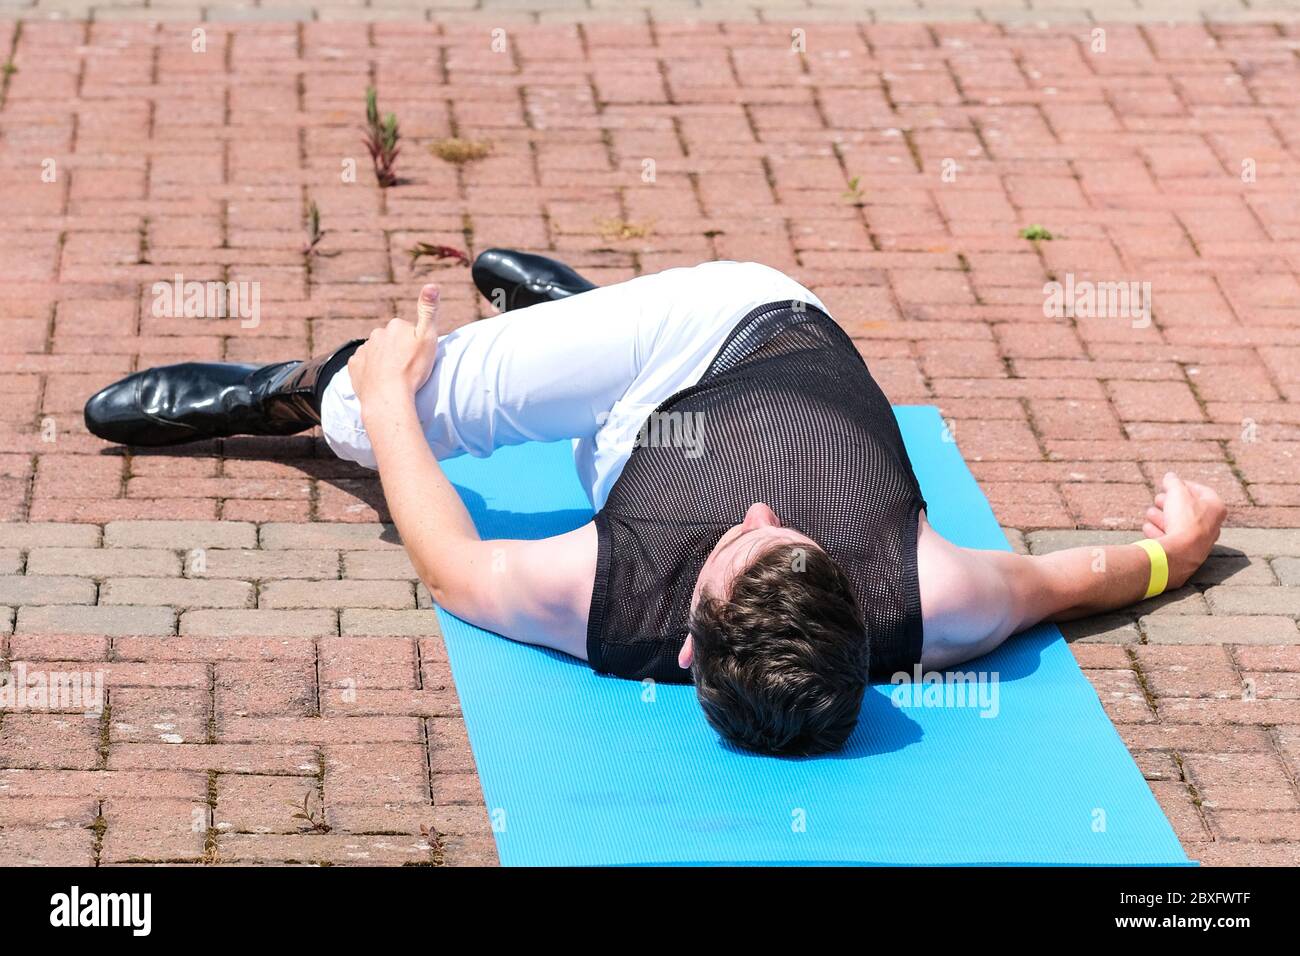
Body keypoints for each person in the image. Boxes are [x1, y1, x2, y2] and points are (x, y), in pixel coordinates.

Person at [84, 251, 1227, 756]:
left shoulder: (608, 601)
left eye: (748, 541)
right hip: (733, 325)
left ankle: (276, 400)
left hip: (630, 458)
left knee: (408, 406)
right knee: (485, 379)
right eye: (792, 537)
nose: (767, 506)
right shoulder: (942, 595)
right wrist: (1176, 549)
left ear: (685, 643)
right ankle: (585, 318)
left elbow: (450, 558)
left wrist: (382, 395)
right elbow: (1083, 579)